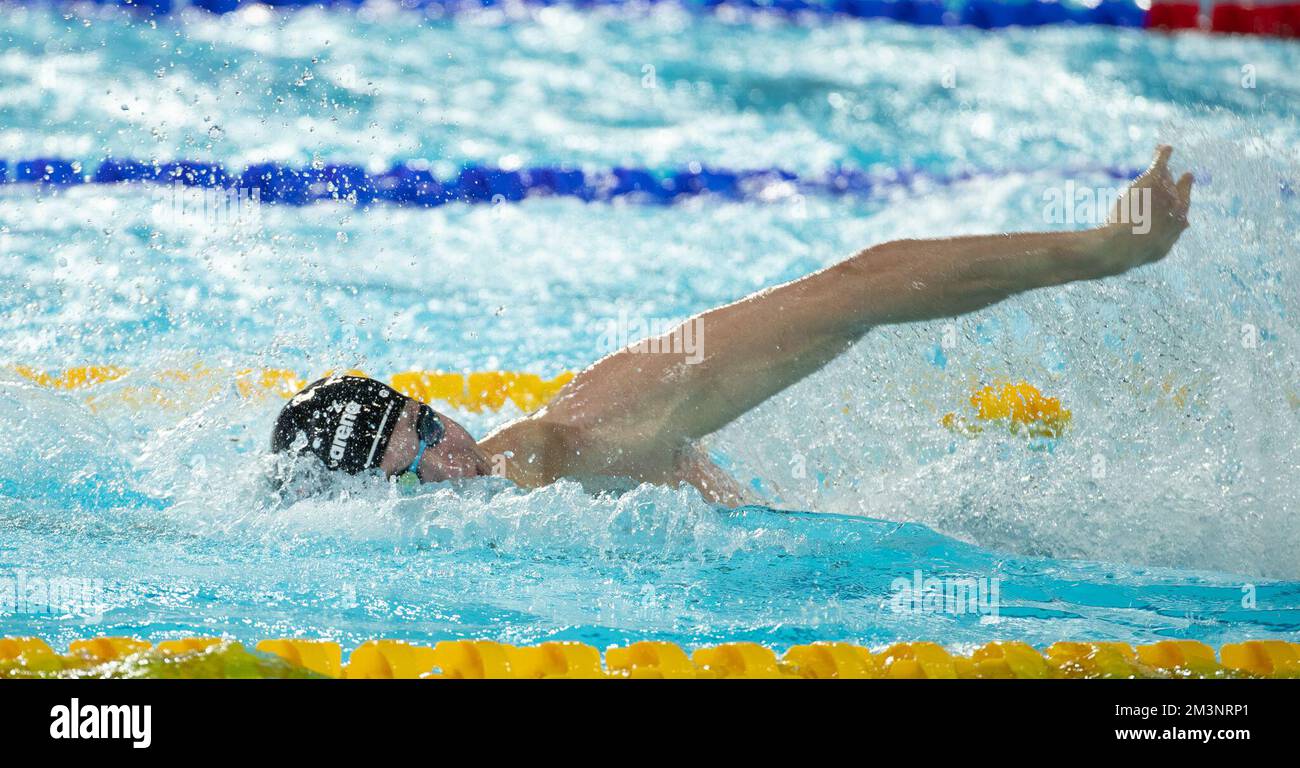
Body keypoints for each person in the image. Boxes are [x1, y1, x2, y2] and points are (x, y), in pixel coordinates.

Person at [271, 145, 1193, 506]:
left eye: (431, 422)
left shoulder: (552, 443)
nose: (451, 455)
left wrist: (1103, 247)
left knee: (857, 284)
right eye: (413, 459)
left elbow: (860, 288)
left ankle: (1109, 250)